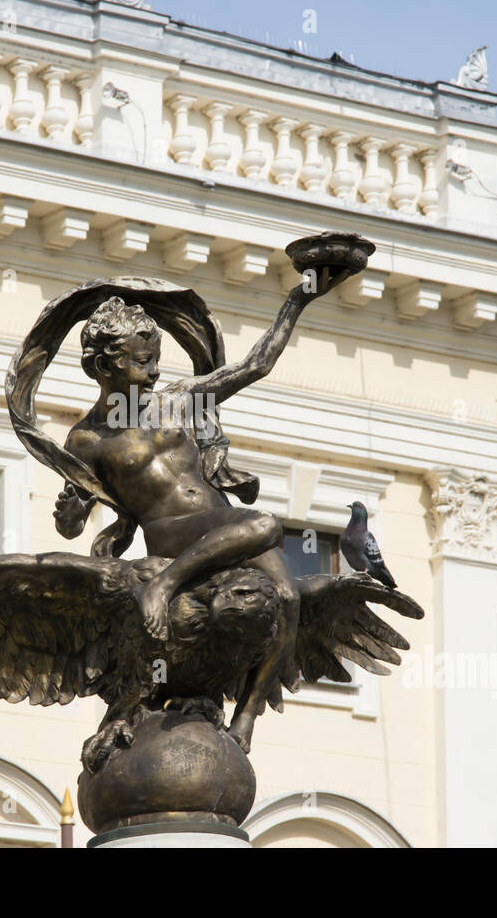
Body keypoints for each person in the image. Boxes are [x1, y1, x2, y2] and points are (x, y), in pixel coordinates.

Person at [54, 270, 347, 750]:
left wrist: (300, 297)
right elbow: (71, 527)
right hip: (171, 534)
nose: (153, 373)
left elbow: (256, 365)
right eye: (143, 362)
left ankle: (246, 715)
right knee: (266, 524)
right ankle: (165, 585)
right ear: (106, 365)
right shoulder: (85, 440)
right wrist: (68, 511)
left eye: (156, 362)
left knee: (289, 599)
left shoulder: (178, 401)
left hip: (219, 523)